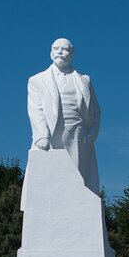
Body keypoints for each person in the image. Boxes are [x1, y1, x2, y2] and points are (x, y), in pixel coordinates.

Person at [26, 38, 101, 194]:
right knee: (50, 178)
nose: (59, 52)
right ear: (51, 52)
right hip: (51, 134)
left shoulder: (84, 80)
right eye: (56, 48)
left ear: (72, 54)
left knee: (77, 179)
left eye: (64, 49)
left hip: (78, 134)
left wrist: (90, 135)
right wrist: (41, 136)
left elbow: (95, 111)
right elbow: (35, 109)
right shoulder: (37, 80)